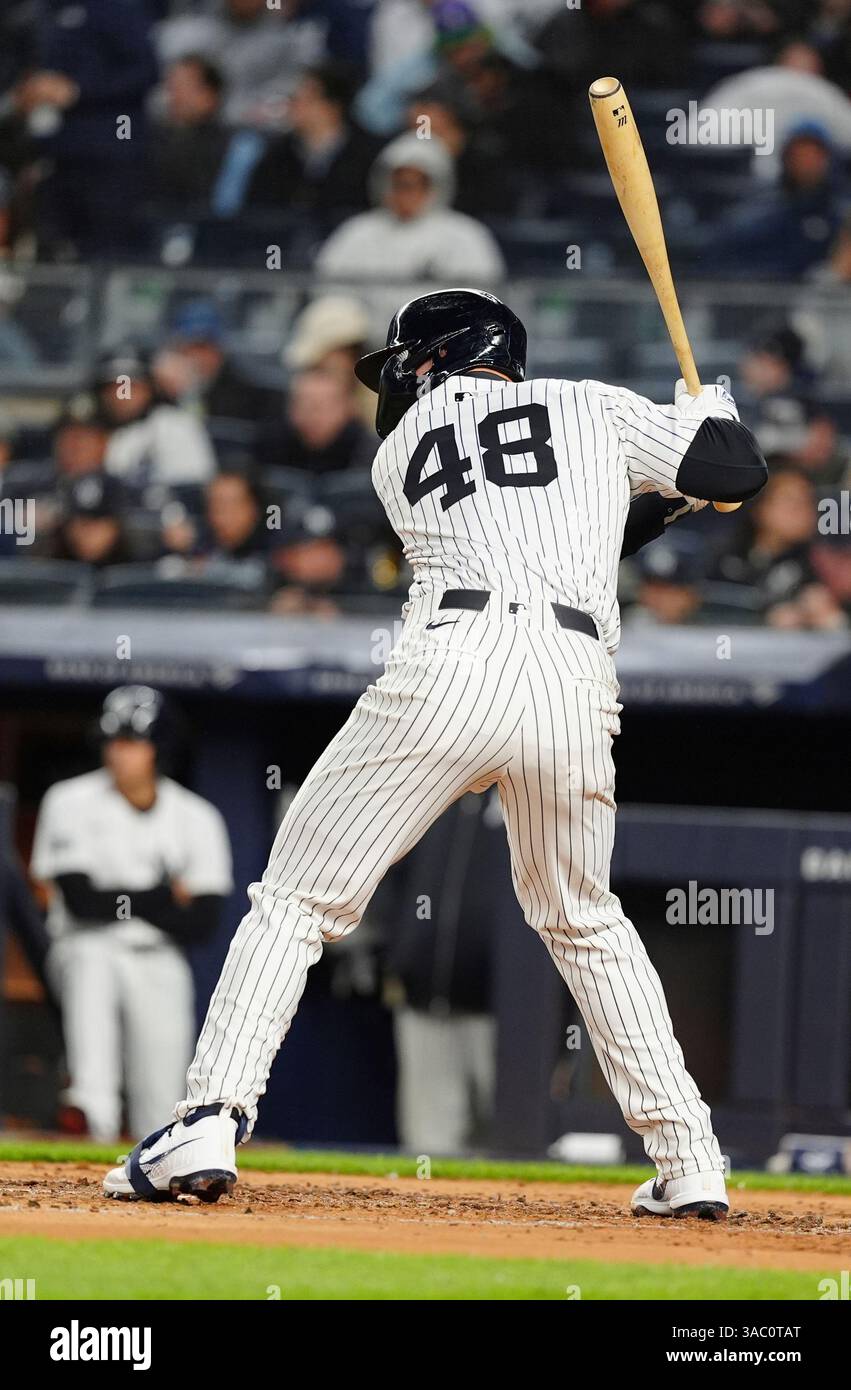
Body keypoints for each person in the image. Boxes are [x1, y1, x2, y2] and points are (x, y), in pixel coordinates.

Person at [103, 287, 766, 1215]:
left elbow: (572, 522)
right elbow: (736, 475)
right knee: (582, 918)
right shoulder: (590, 402)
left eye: (404, 360)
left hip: (451, 664)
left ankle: (208, 1119)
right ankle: (690, 1160)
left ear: (442, 354)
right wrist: (708, 426)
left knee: (296, 897)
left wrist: (692, 468)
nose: (396, 378)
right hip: (575, 685)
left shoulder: (397, 453)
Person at [31, 686, 233, 1143]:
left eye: (132, 742)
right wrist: (163, 896)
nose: (118, 753)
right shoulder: (69, 801)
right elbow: (82, 902)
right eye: (113, 741)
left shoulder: (196, 816)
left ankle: (154, 1171)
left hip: (159, 958)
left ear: (159, 749)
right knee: (91, 959)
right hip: (86, 948)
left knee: (163, 1101)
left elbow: (202, 922)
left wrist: (122, 900)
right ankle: (89, 1110)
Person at [315, 130, 505, 291]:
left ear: (436, 187)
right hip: (366, 332)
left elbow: (481, 298)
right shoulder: (358, 232)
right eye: (399, 185)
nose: (406, 194)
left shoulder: (465, 235)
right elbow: (329, 289)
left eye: (416, 185)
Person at [247, 63, 377, 221]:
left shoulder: (370, 155)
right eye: (294, 99)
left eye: (306, 99)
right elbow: (256, 213)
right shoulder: (277, 156)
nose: (295, 106)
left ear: (333, 107)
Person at [95, 346, 216, 489]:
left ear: (149, 389)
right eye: (112, 388)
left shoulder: (176, 425)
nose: (121, 396)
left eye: (130, 387)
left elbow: (194, 485)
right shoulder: (90, 432)